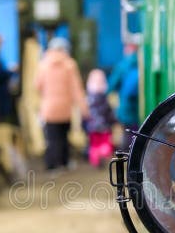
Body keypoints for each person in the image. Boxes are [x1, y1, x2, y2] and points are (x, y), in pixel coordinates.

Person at [34, 37, 89, 171]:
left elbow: (37, 85)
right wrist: (83, 108)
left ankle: (51, 165)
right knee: (64, 136)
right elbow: (76, 89)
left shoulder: (43, 64)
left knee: (51, 138)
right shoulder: (70, 64)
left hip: (49, 108)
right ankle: (63, 163)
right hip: (65, 108)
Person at [108, 44, 139, 150]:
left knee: (127, 130)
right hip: (141, 104)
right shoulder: (144, 63)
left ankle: (127, 153)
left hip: (127, 103)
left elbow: (112, 85)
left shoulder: (122, 65)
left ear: (128, 50)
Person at [85, 69, 116, 167]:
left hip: (92, 127)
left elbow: (86, 114)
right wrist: (113, 121)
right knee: (105, 143)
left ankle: (95, 160)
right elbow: (108, 112)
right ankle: (104, 157)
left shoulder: (88, 98)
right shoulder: (104, 99)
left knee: (94, 145)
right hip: (104, 126)